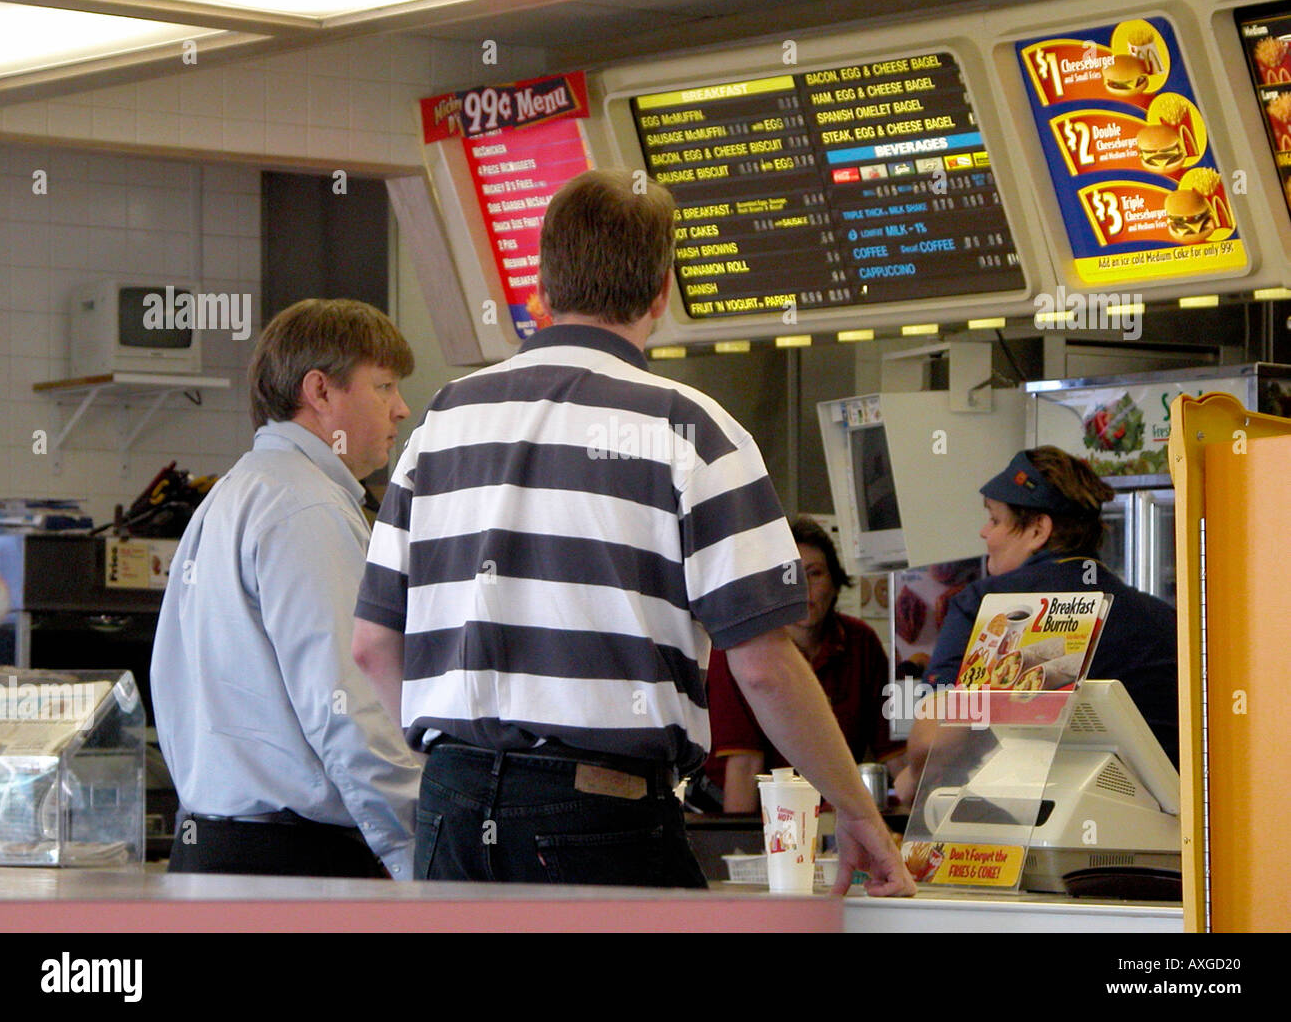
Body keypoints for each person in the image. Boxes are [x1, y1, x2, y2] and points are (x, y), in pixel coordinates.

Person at [351, 168, 914, 896]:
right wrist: (858, 811)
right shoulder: (694, 431)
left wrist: (466, 765)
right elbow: (765, 665)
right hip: (602, 818)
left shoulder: (441, 424)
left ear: (543, 290)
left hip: (449, 813)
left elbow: (371, 645)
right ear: (661, 295)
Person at [151, 298, 422, 878]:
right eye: (384, 386)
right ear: (320, 391)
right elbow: (347, 706)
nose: (401, 409)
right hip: (295, 863)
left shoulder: (233, 493)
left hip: (212, 848)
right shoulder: (305, 507)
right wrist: (414, 852)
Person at [894, 446, 1179, 805]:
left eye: (996, 520)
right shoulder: (1159, 617)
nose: (985, 534)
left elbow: (934, 741)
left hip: (1024, 834)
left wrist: (914, 776)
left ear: (1038, 530)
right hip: (1155, 839)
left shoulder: (990, 608)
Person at [699, 516, 897, 814]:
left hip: (834, 813)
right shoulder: (737, 648)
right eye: (788, 575)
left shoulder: (861, 643)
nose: (802, 588)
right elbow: (743, 768)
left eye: (814, 574)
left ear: (835, 582)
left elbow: (894, 754)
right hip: (740, 812)